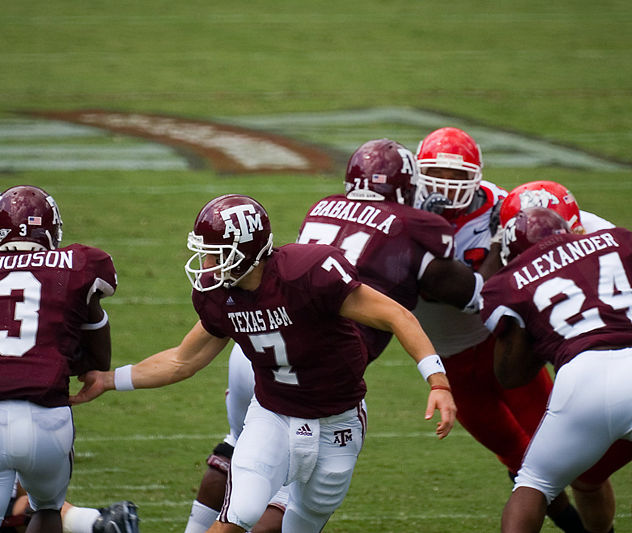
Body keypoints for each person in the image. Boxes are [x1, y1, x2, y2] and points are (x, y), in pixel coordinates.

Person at [72, 193, 456, 533]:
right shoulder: (218, 297)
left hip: (338, 420)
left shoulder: (308, 273)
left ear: (247, 252)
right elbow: (181, 359)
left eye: (215, 253)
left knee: (304, 521)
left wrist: (437, 381)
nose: (206, 263)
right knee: (240, 509)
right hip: (272, 413)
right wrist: (110, 379)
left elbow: (397, 316)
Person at [185, 139, 481, 533]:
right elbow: (450, 290)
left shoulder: (322, 206)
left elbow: (181, 358)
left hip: (253, 344)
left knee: (240, 466)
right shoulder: (416, 223)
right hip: (310, 356)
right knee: (282, 496)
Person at [0, 185, 139, 533]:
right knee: (47, 509)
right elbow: (97, 359)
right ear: (52, 231)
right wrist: (53, 363)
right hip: (49, 422)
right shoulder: (80, 264)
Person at [411, 127, 586, 531]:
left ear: (477, 176)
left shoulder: (504, 205)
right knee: (520, 459)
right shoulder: (404, 210)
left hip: (505, 345)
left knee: (570, 451)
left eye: (457, 176)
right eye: (436, 173)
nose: (445, 185)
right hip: (450, 364)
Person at [481, 207, 632, 533]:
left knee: (534, 484)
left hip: (581, 377)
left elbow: (510, 375)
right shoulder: (617, 240)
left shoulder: (510, 280)